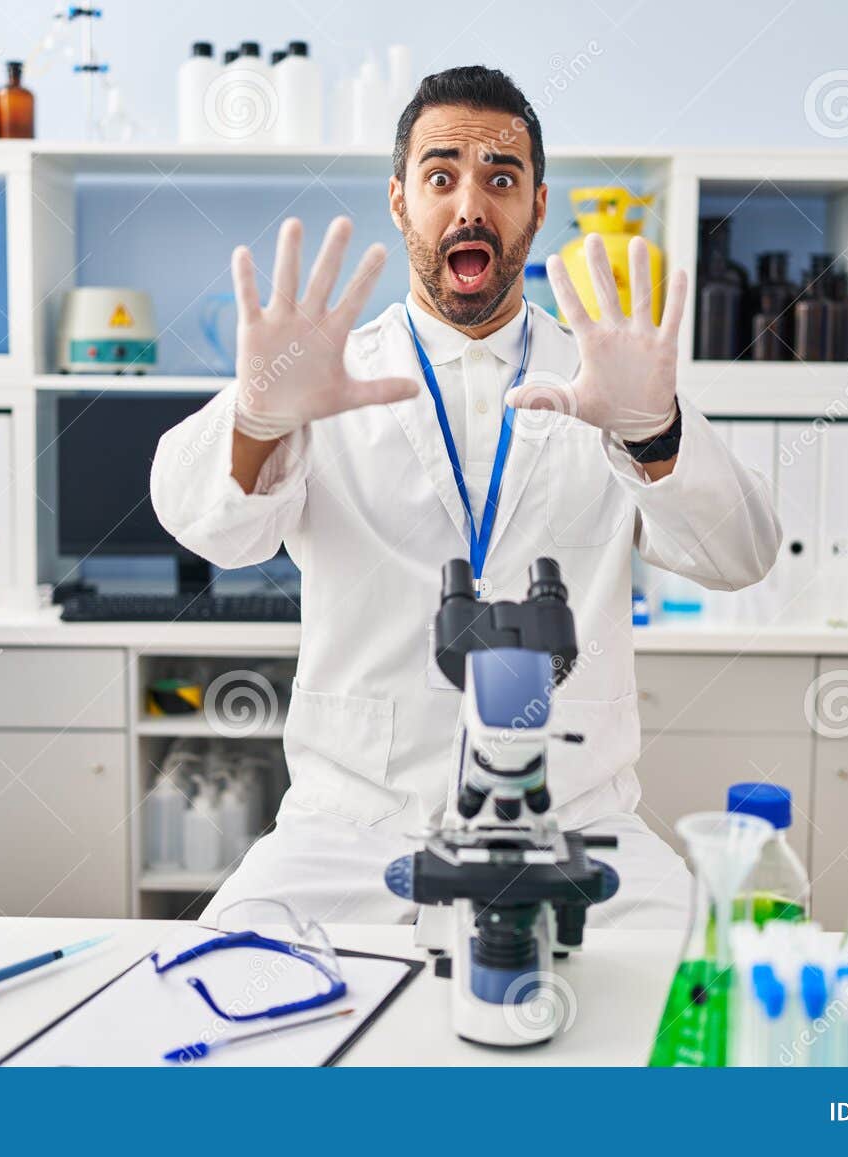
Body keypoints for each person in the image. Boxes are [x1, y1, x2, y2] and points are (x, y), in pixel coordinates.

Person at [151, 66, 780, 929]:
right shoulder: (329, 378)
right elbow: (210, 530)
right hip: (352, 830)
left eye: (501, 178)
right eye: (441, 176)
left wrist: (655, 428)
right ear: (401, 201)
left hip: (578, 829)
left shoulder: (608, 377)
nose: (470, 205)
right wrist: (258, 413)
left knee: (691, 1017)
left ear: (538, 203)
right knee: (222, 1004)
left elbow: (742, 554)